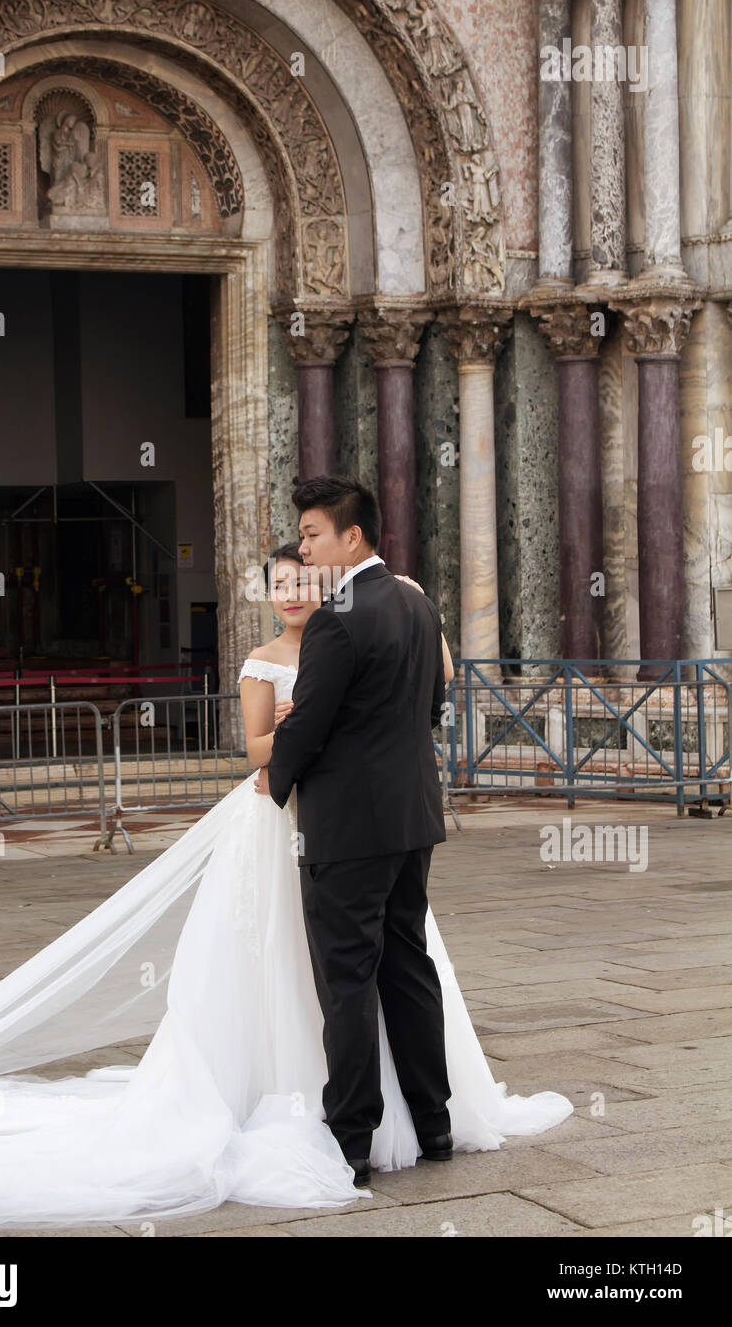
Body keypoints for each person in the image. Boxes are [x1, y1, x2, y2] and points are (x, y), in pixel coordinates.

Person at [0, 523, 572, 1229]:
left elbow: (420, 689)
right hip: (291, 818)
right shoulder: (266, 660)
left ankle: (403, 1117)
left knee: (385, 964)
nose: (291, 592)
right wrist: (290, 733)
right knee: (307, 963)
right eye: (280, 584)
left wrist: (404, 614)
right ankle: (323, 1103)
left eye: (303, 576)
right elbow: (256, 748)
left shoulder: (366, 627)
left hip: (359, 824)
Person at [267, 475, 454, 1186]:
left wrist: (275, 784)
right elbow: (432, 702)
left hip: (347, 826)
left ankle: (350, 1138)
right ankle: (433, 1125)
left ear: (352, 537)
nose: (304, 547)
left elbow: (308, 722)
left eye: (312, 535)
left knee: (346, 977)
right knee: (408, 966)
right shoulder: (415, 600)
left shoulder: (337, 616)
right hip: (412, 816)